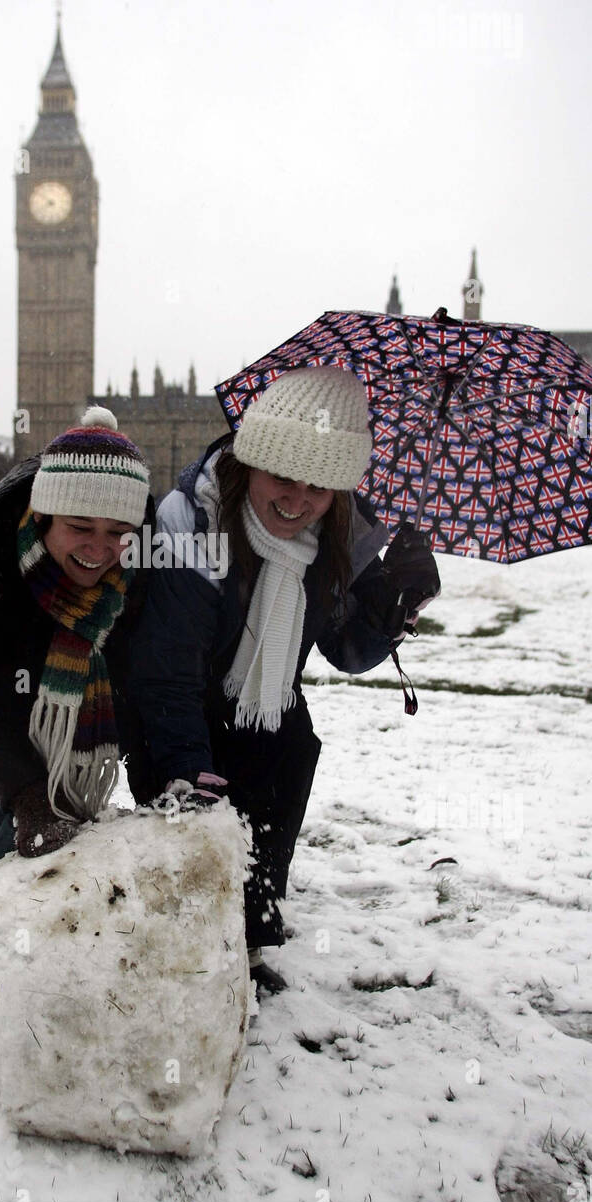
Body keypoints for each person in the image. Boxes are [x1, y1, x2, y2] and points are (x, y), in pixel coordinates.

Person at [122, 366, 440, 995]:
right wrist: (188, 768)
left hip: (264, 704)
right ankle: (186, 932)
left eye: (319, 486)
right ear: (250, 464)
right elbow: (166, 669)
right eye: (282, 478)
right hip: (174, 703)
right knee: (198, 801)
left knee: (290, 746)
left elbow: (346, 650)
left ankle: (249, 933)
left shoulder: (342, 535)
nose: (297, 501)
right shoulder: (192, 522)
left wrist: (392, 603)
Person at [0, 407, 153, 916]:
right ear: (42, 516)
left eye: (118, 531)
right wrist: (27, 799)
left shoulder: (141, 563)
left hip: (68, 676)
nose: (100, 548)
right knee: (24, 789)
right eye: (80, 527)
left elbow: (143, 673)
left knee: (55, 781)